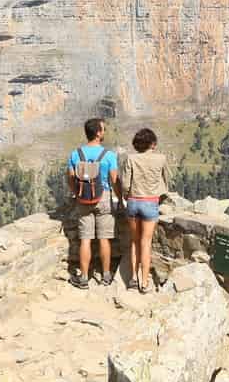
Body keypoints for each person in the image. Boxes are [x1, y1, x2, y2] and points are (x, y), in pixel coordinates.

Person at [66, 117, 119, 288]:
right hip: (103, 197)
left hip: (83, 198)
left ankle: (83, 278)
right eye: (103, 129)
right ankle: (105, 276)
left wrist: (76, 193)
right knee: (104, 239)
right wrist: (119, 198)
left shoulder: (76, 154)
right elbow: (114, 179)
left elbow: (71, 177)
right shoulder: (109, 155)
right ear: (97, 133)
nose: (105, 132)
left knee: (85, 239)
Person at [122, 127, 171, 293]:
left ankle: (133, 279)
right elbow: (166, 183)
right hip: (150, 203)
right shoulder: (161, 159)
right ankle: (144, 283)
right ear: (152, 144)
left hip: (133, 202)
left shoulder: (131, 159)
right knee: (146, 243)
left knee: (135, 242)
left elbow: (125, 185)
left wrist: (127, 197)